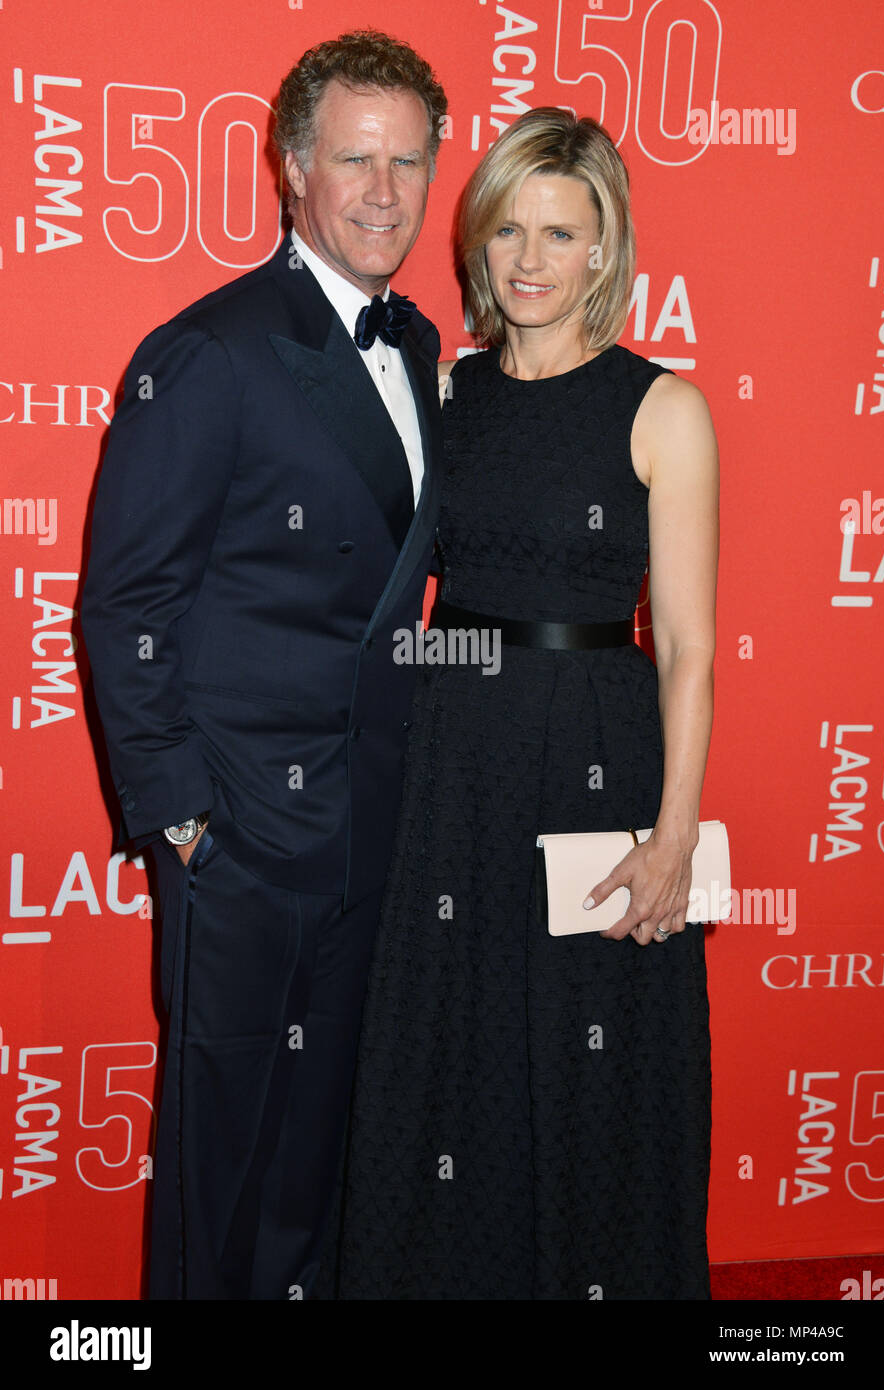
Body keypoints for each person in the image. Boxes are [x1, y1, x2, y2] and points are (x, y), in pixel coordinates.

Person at [313, 107, 719, 1300]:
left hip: (595, 747)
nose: (529, 260)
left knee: (594, 1063)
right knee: (450, 1047)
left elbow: (689, 644)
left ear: (605, 249)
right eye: (507, 232)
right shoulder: (446, 393)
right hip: (452, 754)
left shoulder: (663, 407)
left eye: (560, 232)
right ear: (479, 244)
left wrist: (676, 829)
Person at [80, 29, 447, 1300]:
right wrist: (184, 816)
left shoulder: (423, 348)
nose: (386, 191)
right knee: (225, 1157)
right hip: (243, 830)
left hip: (368, 829)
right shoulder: (216, 349)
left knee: (319, 1146)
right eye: (356, 158)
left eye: (409, 159)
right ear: (294, 170)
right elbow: (129, 601)